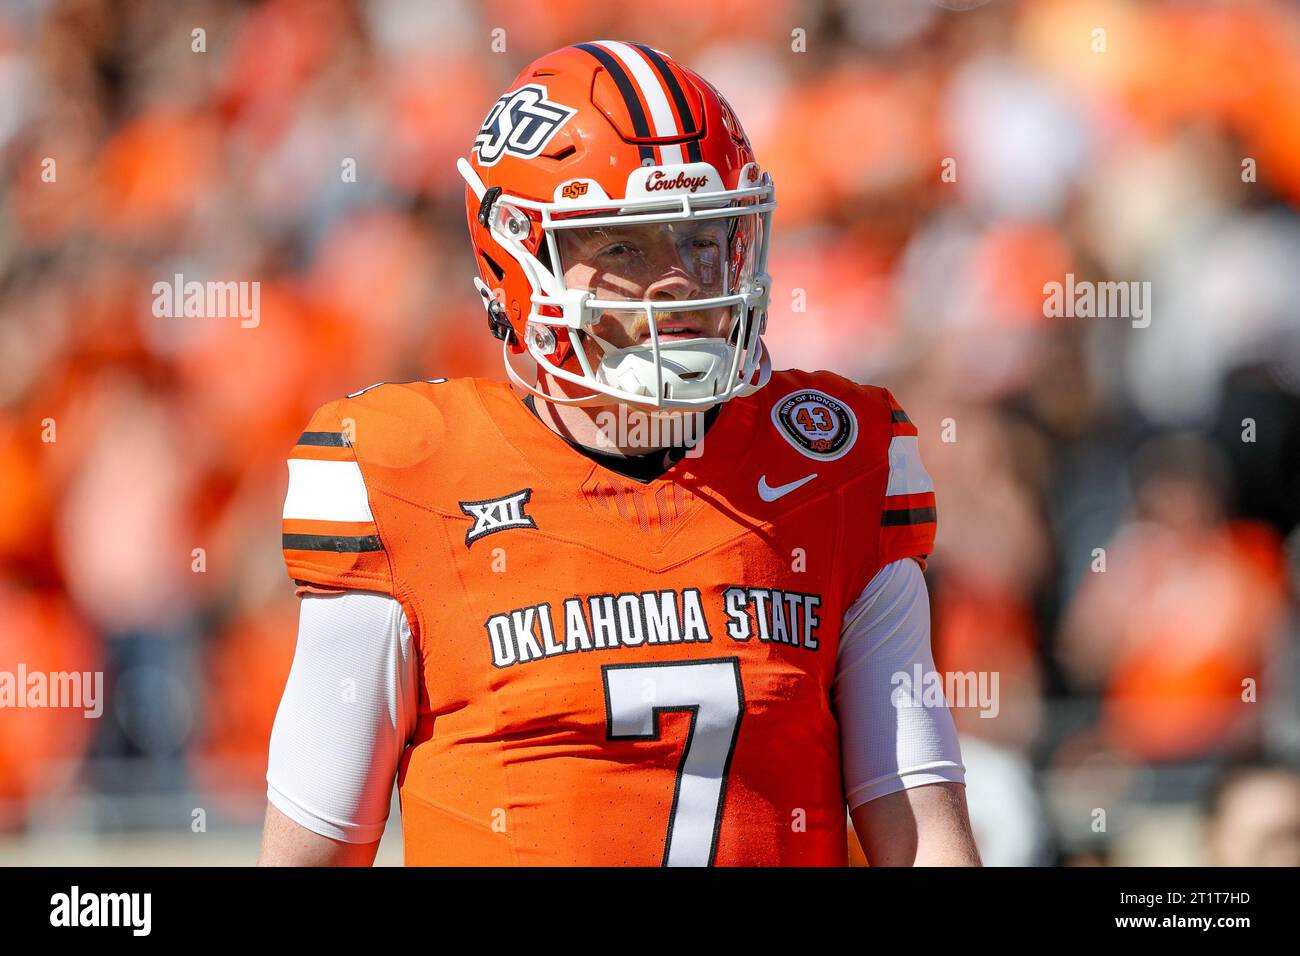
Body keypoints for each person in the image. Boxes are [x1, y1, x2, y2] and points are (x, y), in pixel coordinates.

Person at [257, 40, 978, 866]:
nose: (679, 284)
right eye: (626, 248)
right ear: (515, 260)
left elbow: (924, 836)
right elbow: (309, 854)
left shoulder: (836, 461)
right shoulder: (406, 473)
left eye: (702, 238)